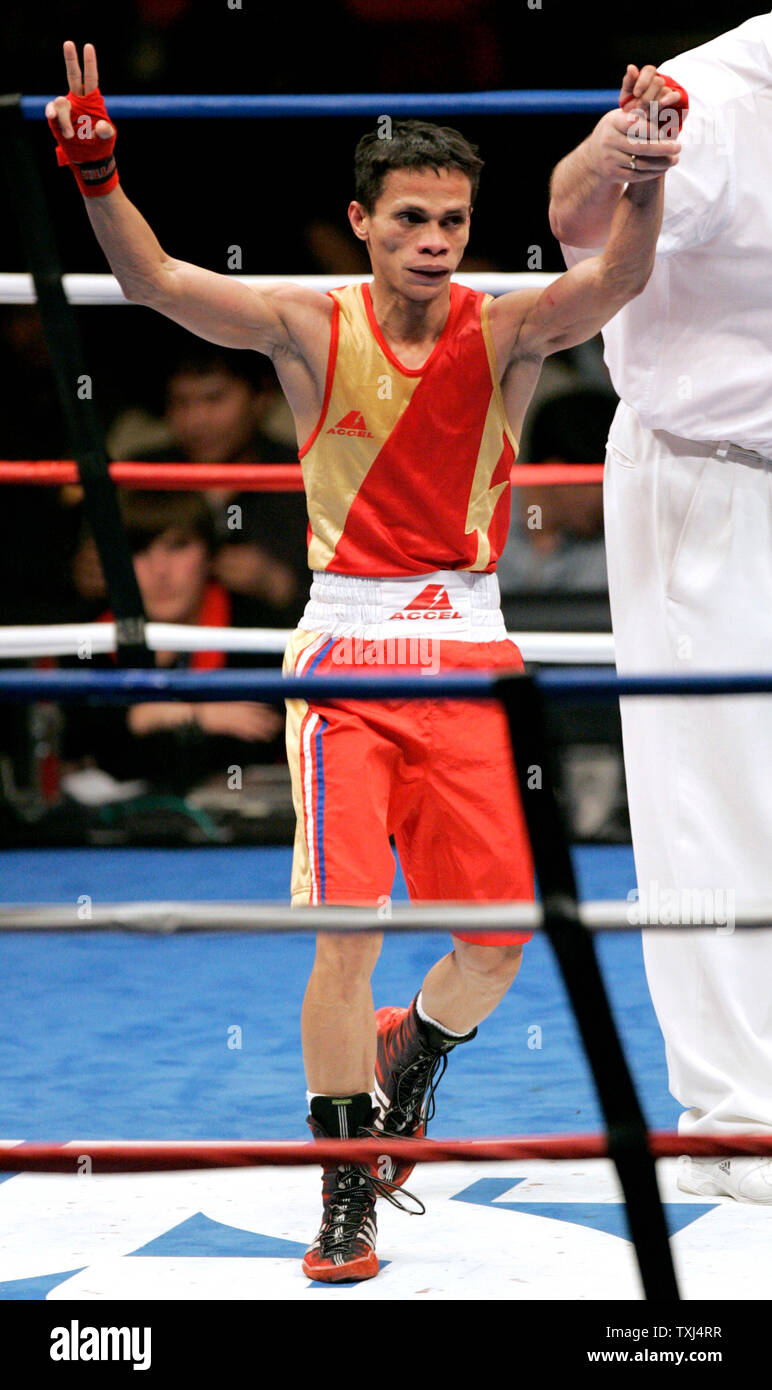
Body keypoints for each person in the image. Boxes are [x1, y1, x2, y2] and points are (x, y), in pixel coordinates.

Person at [47, 39, 678, 1280]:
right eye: (410, 219)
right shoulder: (305, 324)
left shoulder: (504, 332)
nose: (435, 239)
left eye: (451, 219)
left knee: (498, 936)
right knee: (348, 934)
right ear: (363, 222)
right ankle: (345, 1192)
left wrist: (644, 172)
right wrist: (97, 172)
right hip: (346, 650)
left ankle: (416, 1057)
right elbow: (161, 281)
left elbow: (615, 281)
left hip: (470, 640)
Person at [549, 27, 772, 1203]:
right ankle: (735, 1120)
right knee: (709, 791)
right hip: (712, 473)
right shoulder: (721, 93)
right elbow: (574, 221)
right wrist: (617, 155)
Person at [64, 491, 284, 794]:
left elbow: (259, 743)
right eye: (138, 549)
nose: (160, 571)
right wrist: (197, 716)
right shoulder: (88, 637)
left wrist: (139, 719)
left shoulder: (256, 629)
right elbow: (88, 745)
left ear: (211, 554)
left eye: (178, 545)